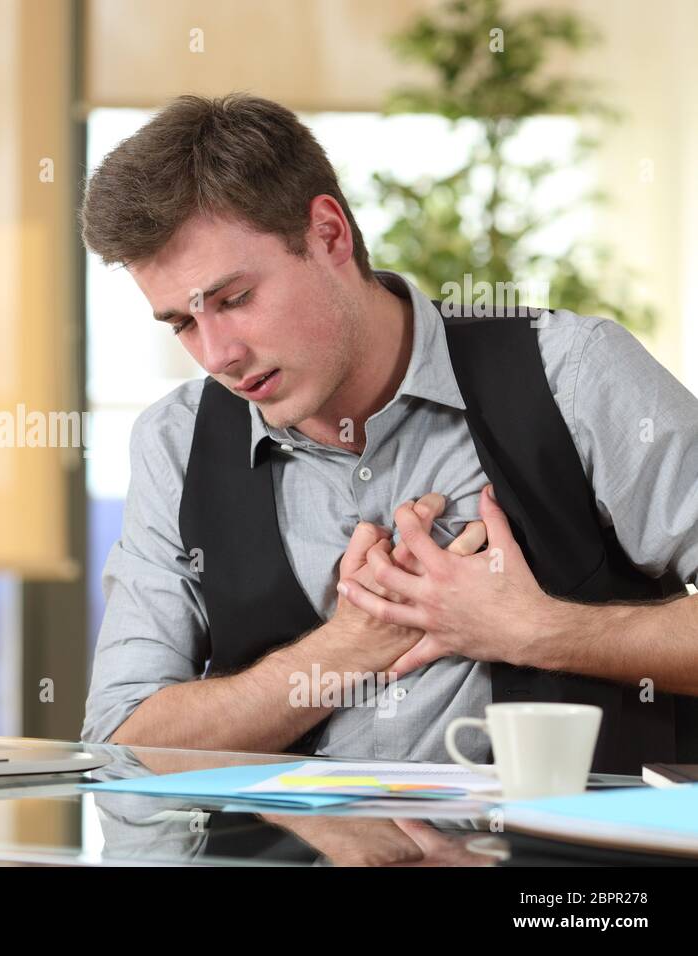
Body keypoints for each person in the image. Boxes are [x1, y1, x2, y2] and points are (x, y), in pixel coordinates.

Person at [78, 93, 698, 773]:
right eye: (183, 323)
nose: (217, 353)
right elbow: (123, 743)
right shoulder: (175, 442)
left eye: (234, 300)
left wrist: (540, 631)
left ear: (329, 235)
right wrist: (345, 647)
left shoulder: (574, 375)